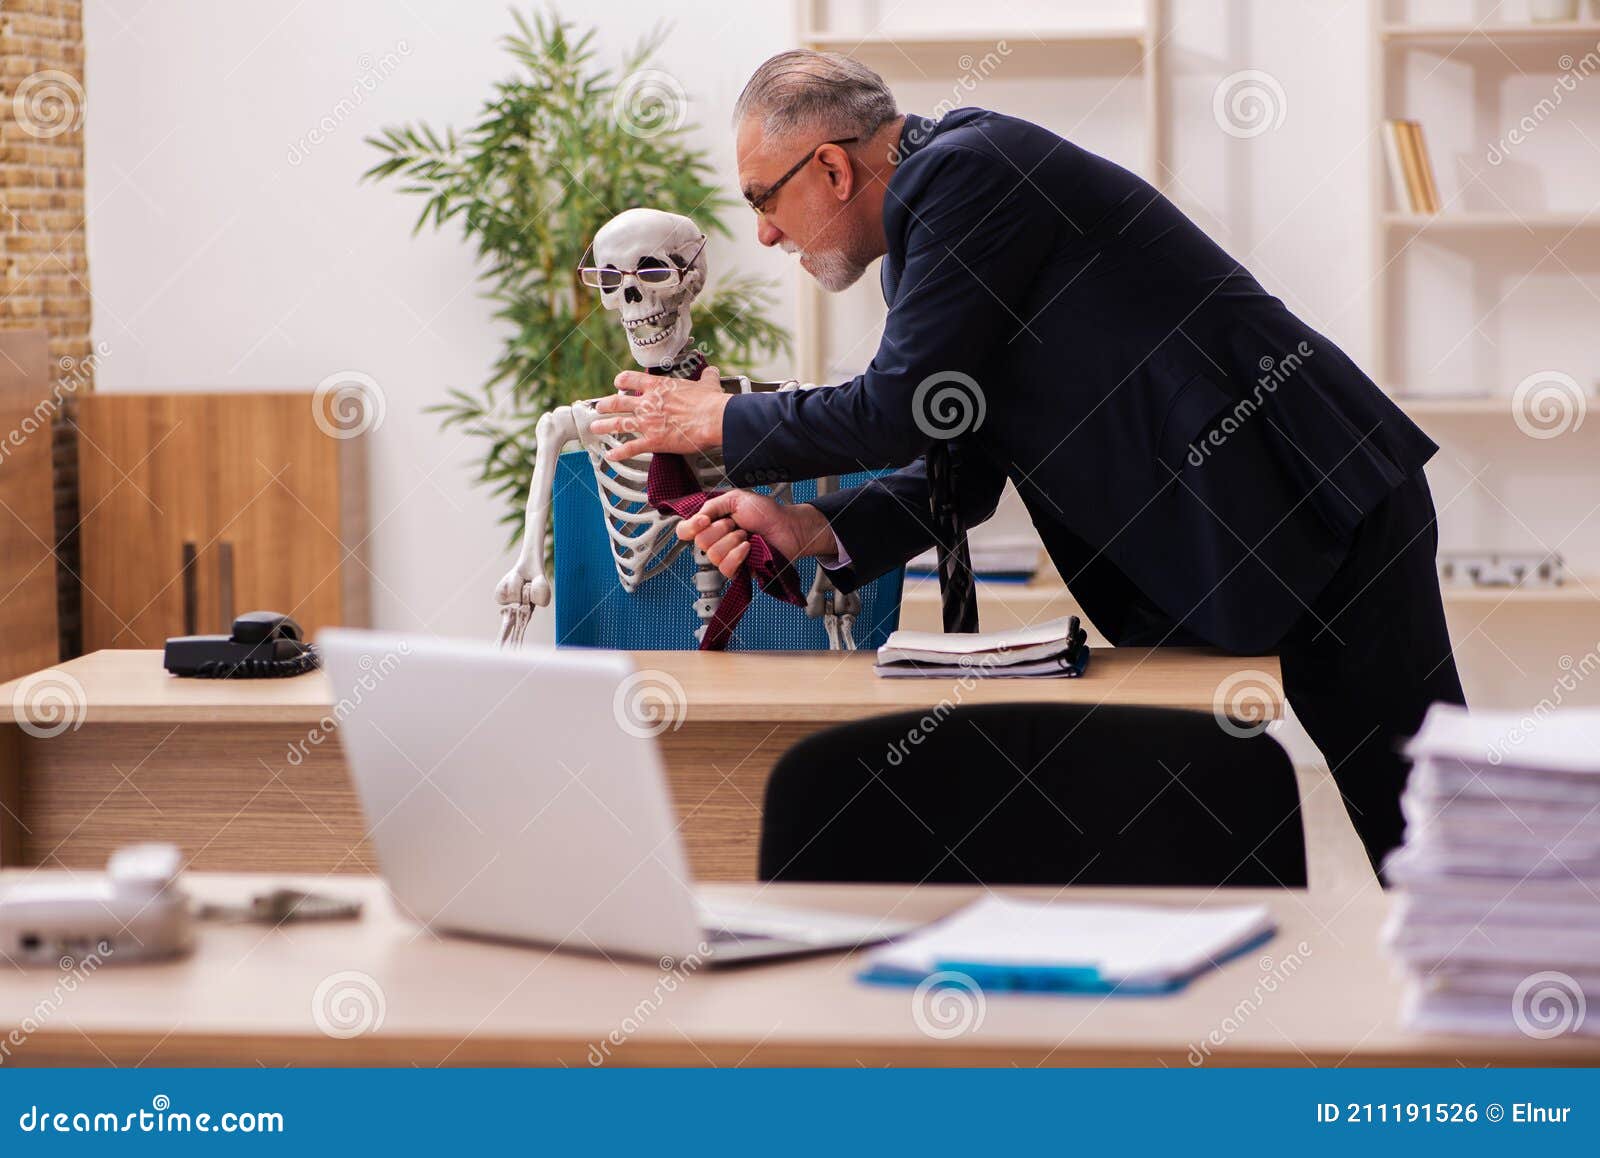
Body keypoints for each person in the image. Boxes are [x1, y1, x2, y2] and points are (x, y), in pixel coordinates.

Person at [589, 50, 1465, 875]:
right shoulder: (935, 229)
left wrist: (719, 419)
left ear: (831, 168)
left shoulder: (967, 174)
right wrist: (808, 527)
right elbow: (963, 468)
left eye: (762, 198)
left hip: (1311, 498)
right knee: (1189, 835)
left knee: (1432, 826)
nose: (765, 233)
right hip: (1215, 543)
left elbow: (895, 406)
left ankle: (1524, 981)